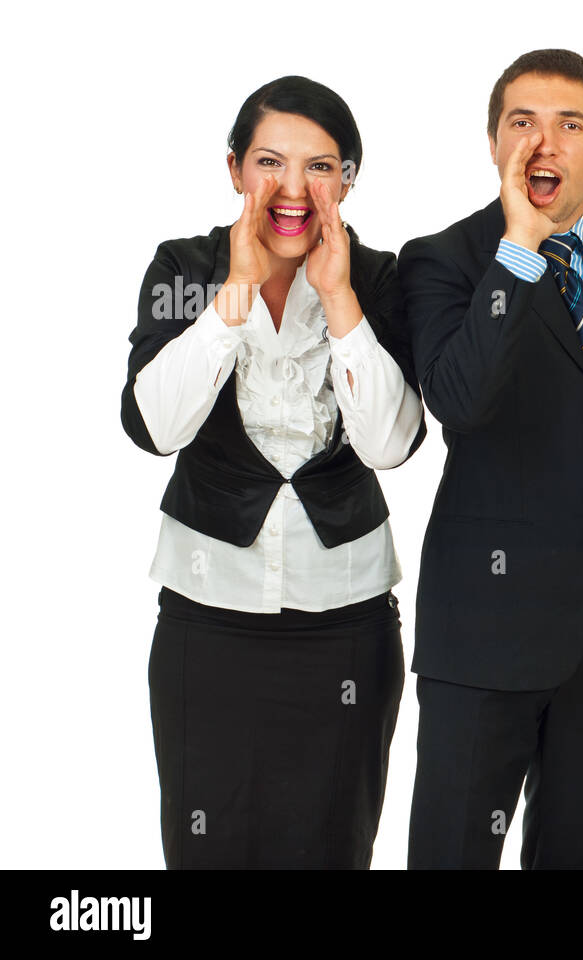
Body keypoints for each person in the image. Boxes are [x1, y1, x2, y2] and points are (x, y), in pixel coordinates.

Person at [122, 76, 427, 868]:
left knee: (334, 845)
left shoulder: (382, 277)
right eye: (269, 163)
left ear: (347, 181)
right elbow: (155, 425)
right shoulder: (184, 265)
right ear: (234, 172)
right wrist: (234, 294)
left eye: (321, 168)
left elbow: (391, 444)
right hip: (207, 619)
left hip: (347, 623)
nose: (293, 191)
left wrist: (338, 298)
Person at [399, 48, 583, 869]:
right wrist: (519, 245)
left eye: (570, 125)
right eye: (522, 122)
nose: (544, 143)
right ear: (494, 143)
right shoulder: (442, 258)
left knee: (574, 853)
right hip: (485, 631)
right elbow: (457, 398)